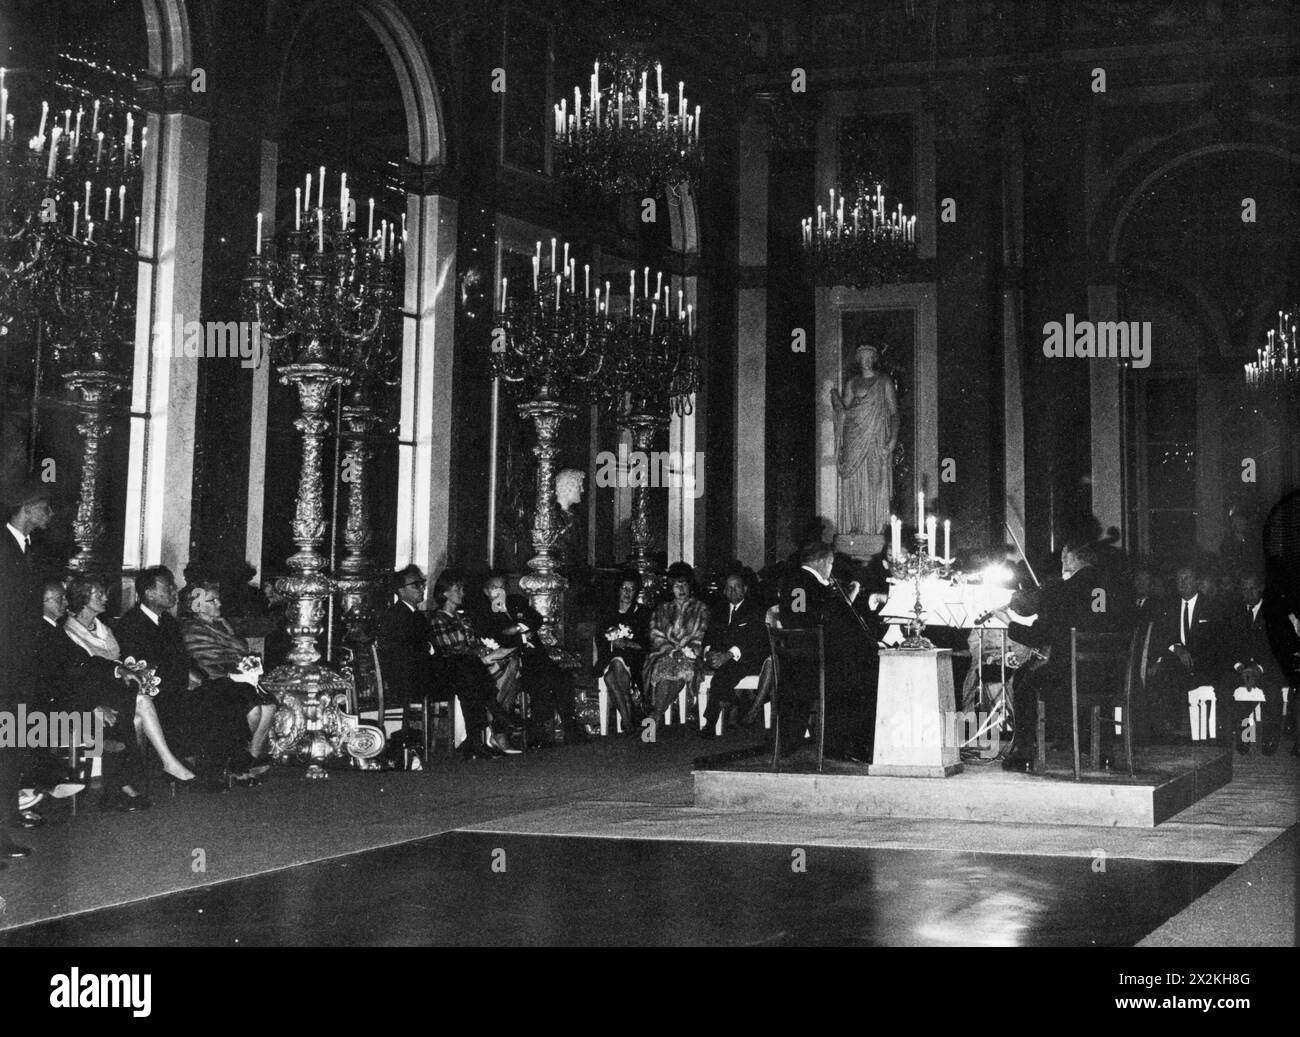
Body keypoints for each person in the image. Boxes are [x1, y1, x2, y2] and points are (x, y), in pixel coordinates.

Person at [991, 541, 1134, 771]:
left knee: (1024, 680)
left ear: (1071, 559)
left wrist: (1009, 622)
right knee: (1085, 674)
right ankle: (1104, 752)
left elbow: (1039, 635)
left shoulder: (1060, 590)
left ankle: (1024, 754)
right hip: (1110, 676)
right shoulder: (1117, 588)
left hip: (1070, 676)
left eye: (1064, 559)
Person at [113, 566, 252, 788]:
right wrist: (184, 680)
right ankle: (214, 769)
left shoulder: (168, 621)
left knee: (227, 690)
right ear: (149, 593)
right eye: (167, 587)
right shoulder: (132, 623)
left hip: (179, 688)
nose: (174, 590)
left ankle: (228, 762)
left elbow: (185, 659)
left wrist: (198, 676)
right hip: (160, 693)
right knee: (212, 701)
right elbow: (142, 667)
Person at [62, 576, 196, 806]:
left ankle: (122, 785)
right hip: (89, 698)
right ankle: (167, 763)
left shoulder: (103, 628)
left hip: (114, 693)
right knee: (140, 703)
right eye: (98, 595)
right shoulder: (69, 632)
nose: (105, 598)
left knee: (136, 715)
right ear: (83, 600)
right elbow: (75, 676)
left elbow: (119, 661)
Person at [778, 542, 881, 762]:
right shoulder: (806, 583)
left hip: (800, 659)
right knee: (860, 677)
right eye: (831, 563)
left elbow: (811, 615)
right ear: (822, 561)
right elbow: (812, 619)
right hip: (813, 661)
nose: (831, 569)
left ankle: (841, 744)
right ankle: (845, 745)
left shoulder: (799, 581)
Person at [0, 485, 54, 860]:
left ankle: (5, 825)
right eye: (46, 508)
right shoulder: (3, 546)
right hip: (5, 668)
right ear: (27, 507)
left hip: (20, 669)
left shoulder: (28, 548)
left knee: (11, 750)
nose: (50, 516)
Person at [478, 572, 586, 744]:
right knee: (540, 680)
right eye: (494, 588)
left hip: (536, 656)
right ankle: (540, 733)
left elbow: (536, 619)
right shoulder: (485, 614)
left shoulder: (516, 602)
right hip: (514, 660)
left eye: (502, 587)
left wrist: (518, 627)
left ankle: (569, 725)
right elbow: (500, 636)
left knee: (562, 678)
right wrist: (521, 635)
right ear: (486, 592)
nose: (499, 591)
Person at [179, 580, 277, 766]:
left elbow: (240, 651)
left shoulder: (222, 624)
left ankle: (251, 756)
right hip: (214, 682)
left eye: (218, 599)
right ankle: (236, 755)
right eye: (212, 600)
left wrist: (248, 666)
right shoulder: (192, 629)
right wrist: (238, 669)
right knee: (254, 710)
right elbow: (207, 662)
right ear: (197, 606)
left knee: (269, 706)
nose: (219, 604)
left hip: (236, 678)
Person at [428, 568, 521, 758]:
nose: (462, 593)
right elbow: (451, 649)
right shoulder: (438, 619)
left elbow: (474, 643)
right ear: (445, 593)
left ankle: (489, 723)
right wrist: (481, 655)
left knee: (512, 661)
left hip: (473, 668)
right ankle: (497, 718)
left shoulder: (463, 617)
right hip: (454, 670)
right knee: (474, 674)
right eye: (458, 589)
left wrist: (488, 652)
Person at [1145, 559, 1233, 742]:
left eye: (1187, 578)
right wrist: (1177, 648)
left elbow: (1219, 642)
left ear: (1197, 582)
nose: (1182, 583)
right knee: (1159, 674)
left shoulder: (1212, 606)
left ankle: (1216, 732)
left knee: (1220, 680)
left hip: (1205, 663)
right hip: (1179, 663)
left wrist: (1194, 656)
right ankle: (1167, 727)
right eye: (1179, 579)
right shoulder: (1168, 606)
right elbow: (1162, 637)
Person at [1224, 570, 1298, 756]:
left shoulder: (1275, 613)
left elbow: (1282, 650)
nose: (1248, 593)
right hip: (1242, 668)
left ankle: (1269, 738)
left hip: (1267, 667)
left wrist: (1258, 669)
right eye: (1244, 589)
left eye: (1252, 589)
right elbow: (1230, 646)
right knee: (1226, 688)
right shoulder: (1235, 612)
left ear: (1260, 589)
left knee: (1272, 691)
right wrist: (1240, 667)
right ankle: (1246, 736)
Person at [830, 345, 899, 536]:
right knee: (854, 482)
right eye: (863, 357)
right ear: (858, 360)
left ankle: (875, 529)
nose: (867, 361)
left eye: (870, 357)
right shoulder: (852, 383)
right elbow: (844, 413)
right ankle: (855, 527)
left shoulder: (884, 381)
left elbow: (894, 414)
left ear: (875, 359)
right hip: (854, 438)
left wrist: (892, 439)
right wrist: (835, 402)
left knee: (875, 481)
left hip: (876, 439)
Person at [699, 567, 769, 738]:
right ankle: (738, 701)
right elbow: (709, 635)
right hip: (722, 658)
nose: (732, 591)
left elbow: (752, 640)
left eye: (736, 586)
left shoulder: (755, 609)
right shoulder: (719, 610)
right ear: (724, 591)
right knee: (722, 672)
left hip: (748, 658)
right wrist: (709, 653)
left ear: (745, 588)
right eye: (728, 588)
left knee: (723, 675)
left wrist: (727, 655)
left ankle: (710, 722)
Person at [643, 562, 710, 729]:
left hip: (691, 656)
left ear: (690, 586)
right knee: (665, 671)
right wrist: (671, 651)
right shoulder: (662, 609)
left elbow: (702, 635)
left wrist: (688, 651)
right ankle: (657, 715)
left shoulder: (701, 609)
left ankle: (655, 716)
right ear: (671, 586)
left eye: (684, 584)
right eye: (676, 584)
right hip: (665, 653)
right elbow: (655, 634)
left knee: (682, 668)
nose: (681, 589)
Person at [593, 572, 651, 732]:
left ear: (636, 592)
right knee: (614, 666)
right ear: (618, 590)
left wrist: (626, 643)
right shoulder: (607, 612)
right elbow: (600, 639)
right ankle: (628, 719)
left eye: (631, 589)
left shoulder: (642, 613)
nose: (627, 593)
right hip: (609, 656)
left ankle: (627, 720)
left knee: (611, 676)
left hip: (634, 658)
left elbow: (647, 644)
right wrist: (612, 642)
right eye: (624, 588)